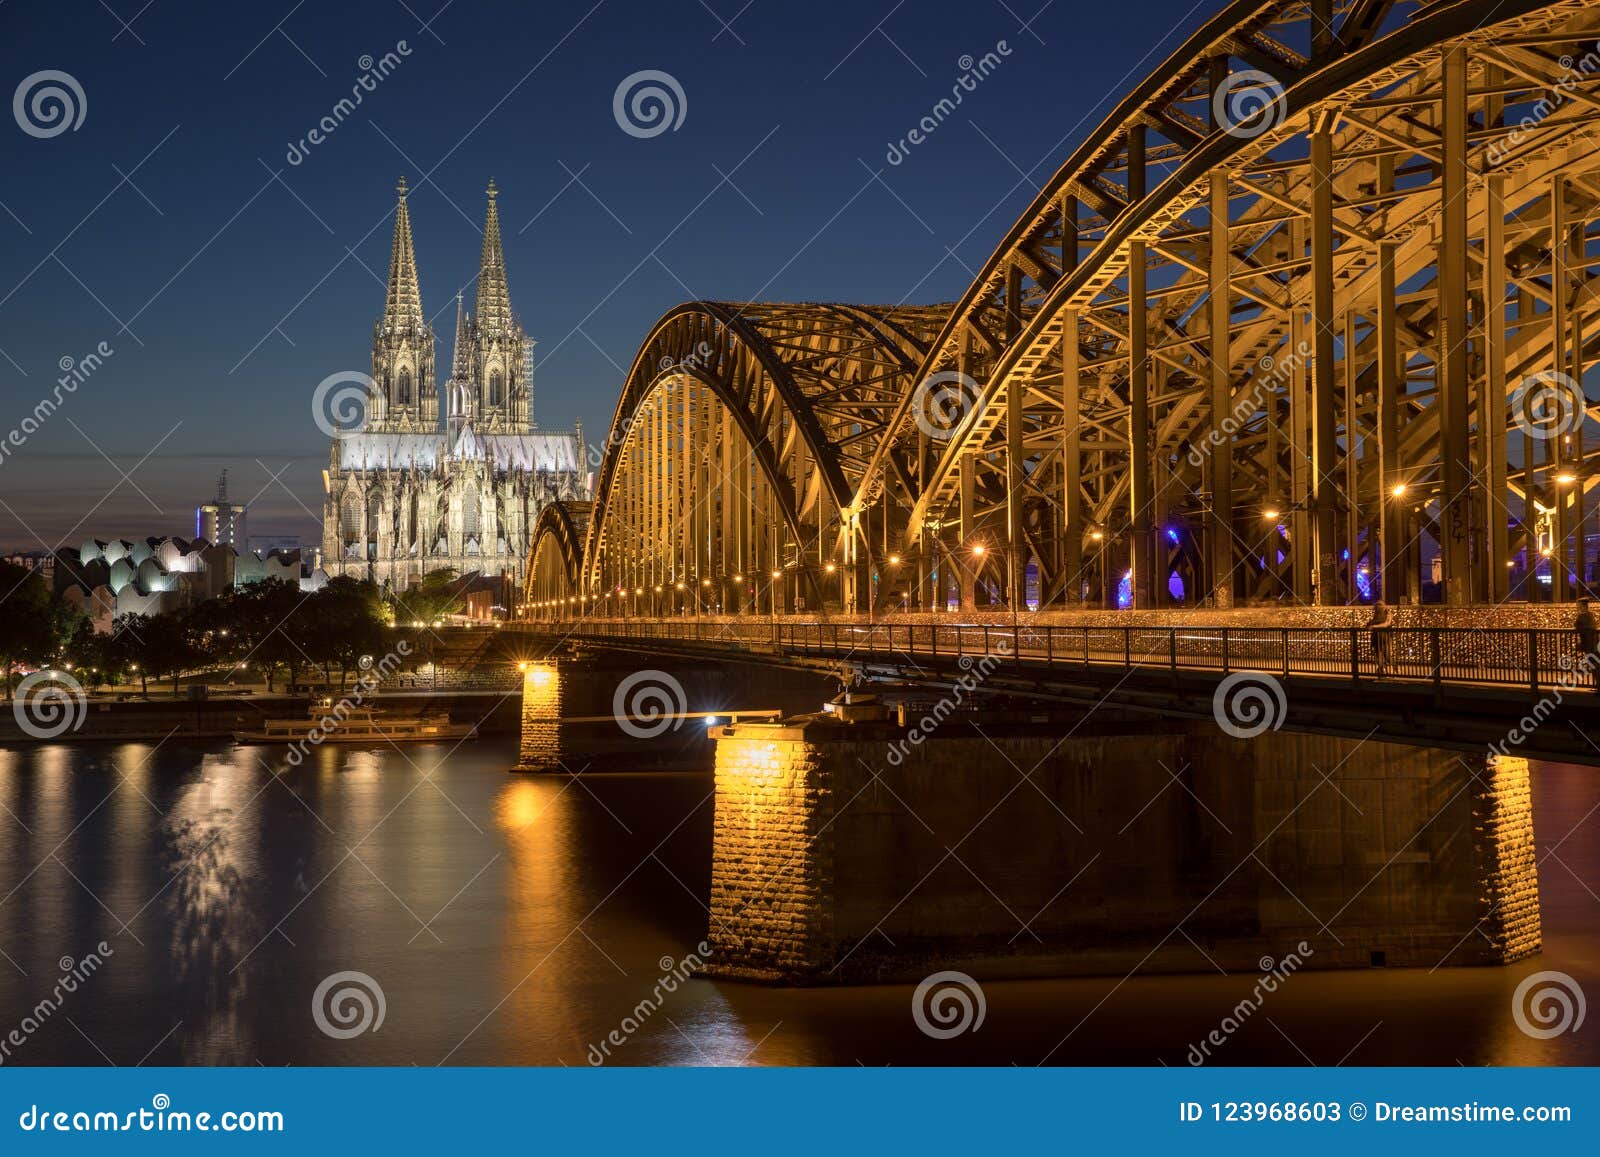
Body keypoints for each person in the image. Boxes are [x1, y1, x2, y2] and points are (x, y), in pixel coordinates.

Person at [1575, 598, 1599, 687]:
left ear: (1583, 605)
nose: (1577, 607)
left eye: (1579, 605)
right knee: (1595, 663)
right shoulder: (1590, 614)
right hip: (1593, 643)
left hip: (1589, 643)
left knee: (1594, 664)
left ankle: (1598, 685)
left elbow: (1577, 626)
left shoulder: (1583, 615)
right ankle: (1597, 685)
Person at [1367, 600, 1393, 676]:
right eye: (1377, 606)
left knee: (1386, 654)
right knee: (1379, 654)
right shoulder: (1377, 614)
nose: (1378, 607)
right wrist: (1370, 625)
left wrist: (1374, 626)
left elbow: (1386, 624)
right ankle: (1382, 670)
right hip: (1378, 637)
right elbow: (1372, 623)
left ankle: (1388, 669)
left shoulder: (1388, 613)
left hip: (1385, 637)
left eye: (1380, 605)